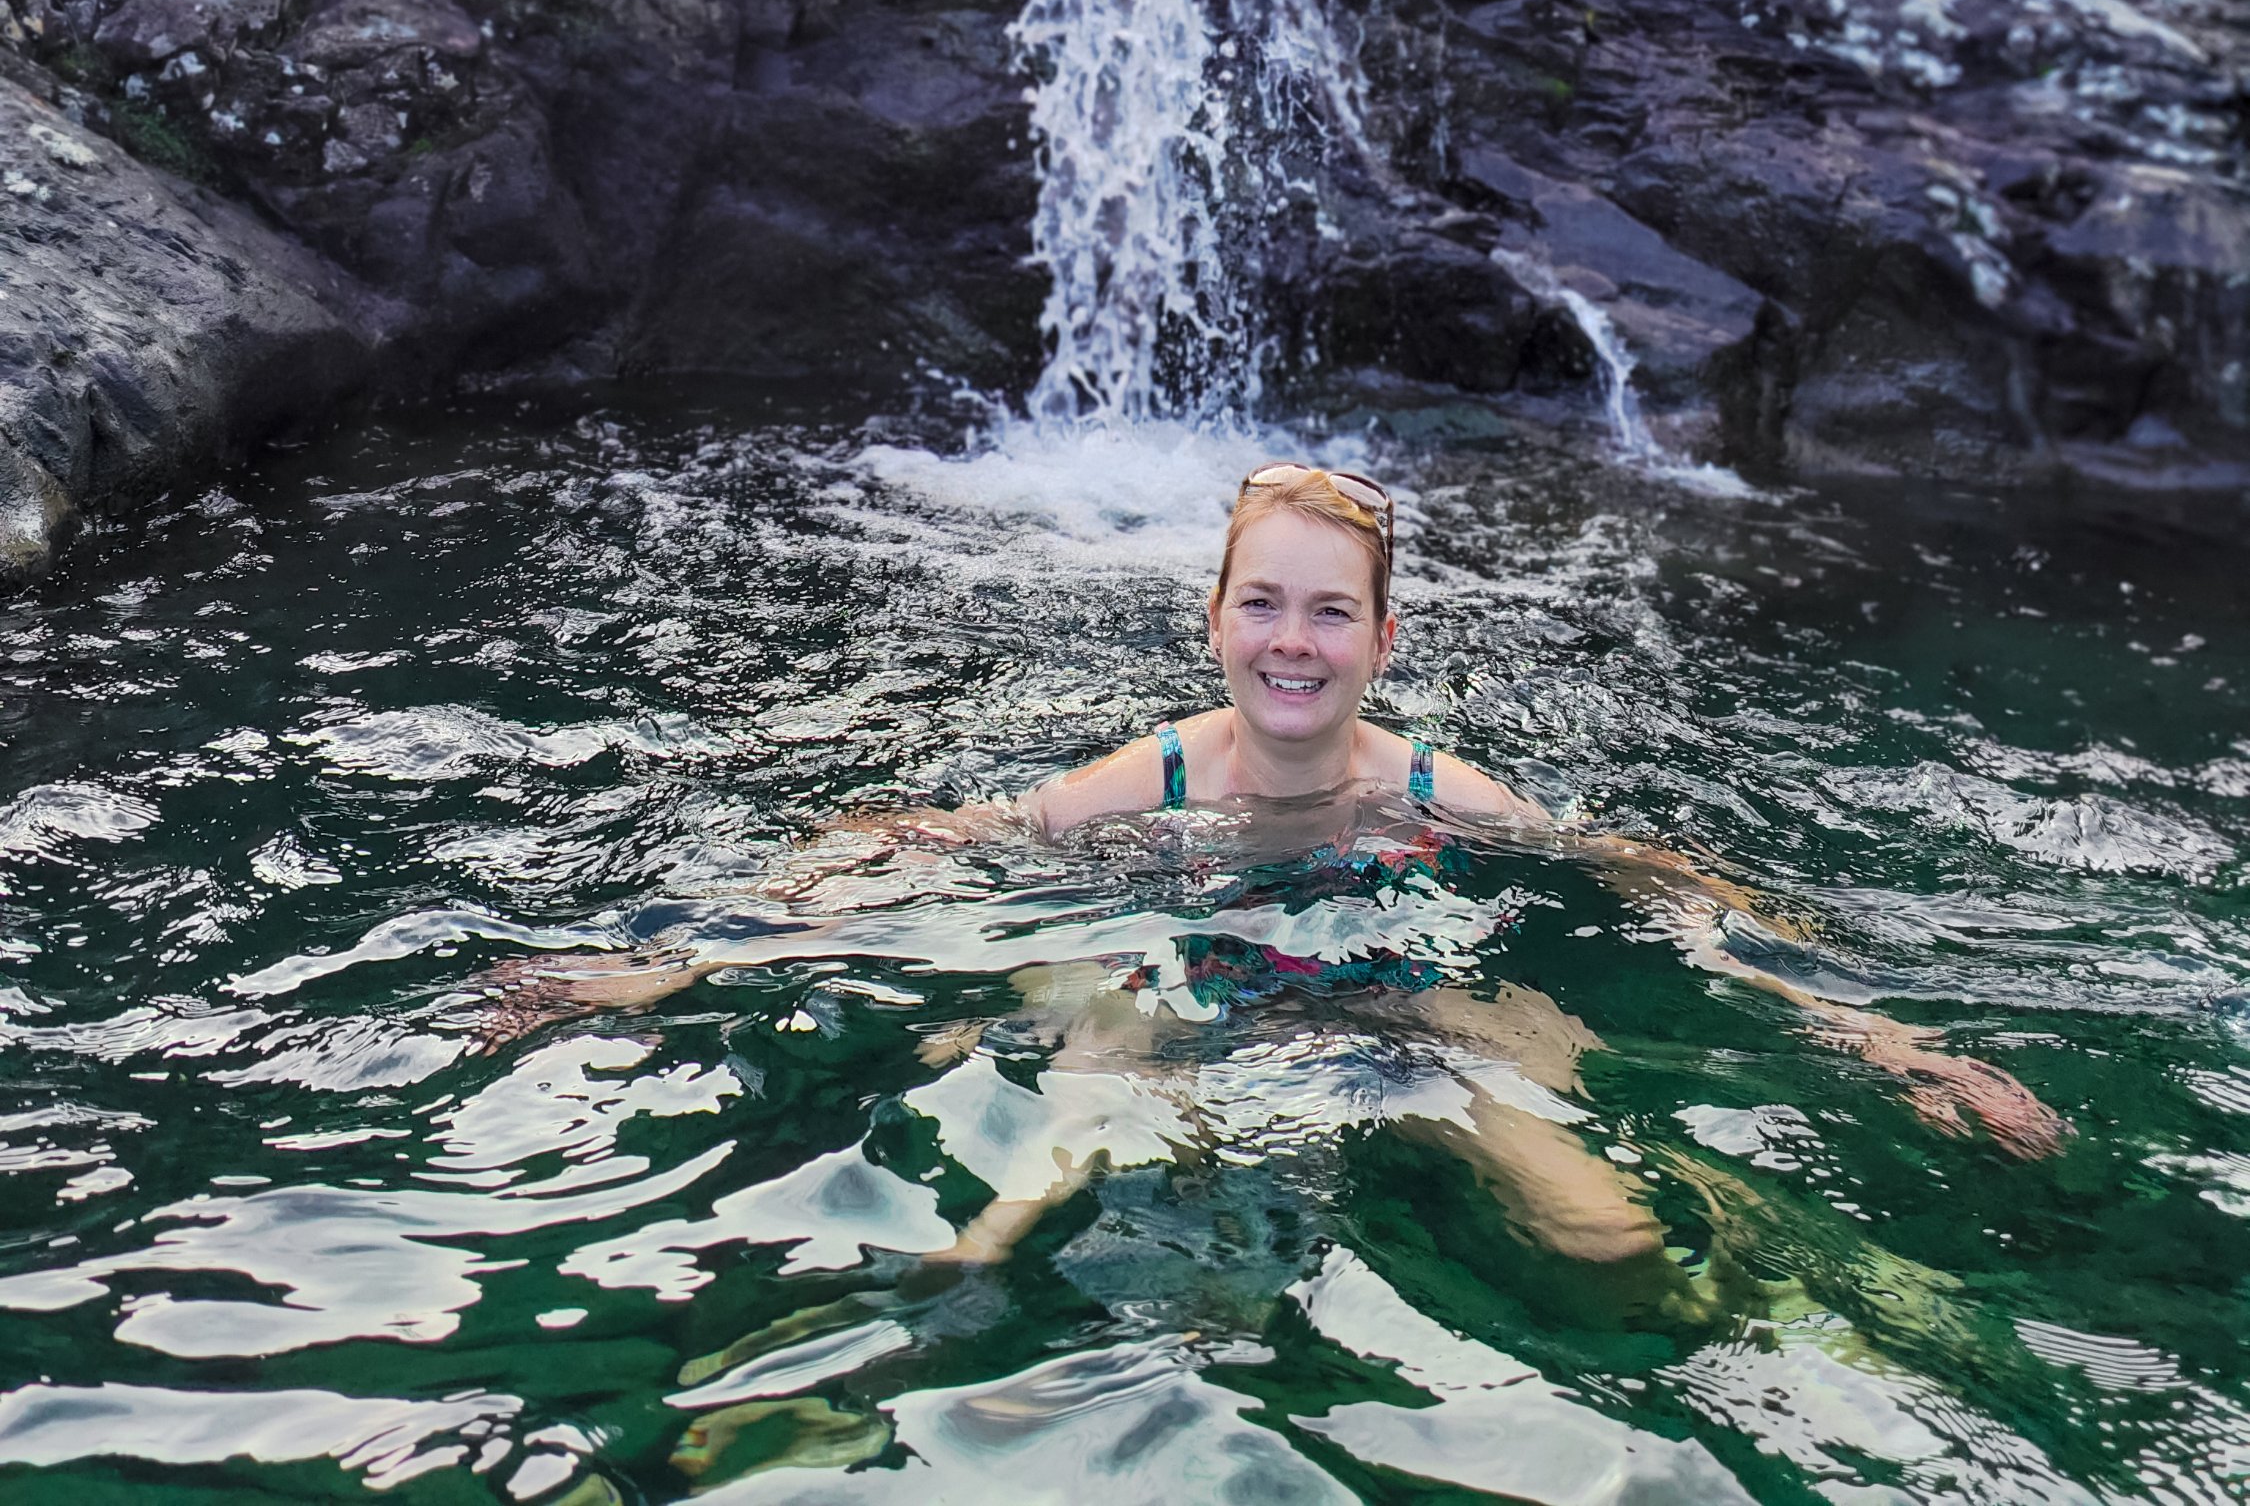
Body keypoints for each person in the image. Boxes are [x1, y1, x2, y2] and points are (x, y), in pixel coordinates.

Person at [478, 459, 2061, 1279]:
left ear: (1381, 640)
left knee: (1608, 1238)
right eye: (1261, 605)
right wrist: (685, 949)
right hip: (1183, 985)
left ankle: (1747, 1249)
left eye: (1326, 612)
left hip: (1410, 997)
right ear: (1214, 621)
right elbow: (928, 841)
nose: (1290, 642)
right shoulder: (1156, 775)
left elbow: (1654, 880)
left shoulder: (1431, 786)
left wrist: (1881, 1034)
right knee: (1015, 1221)